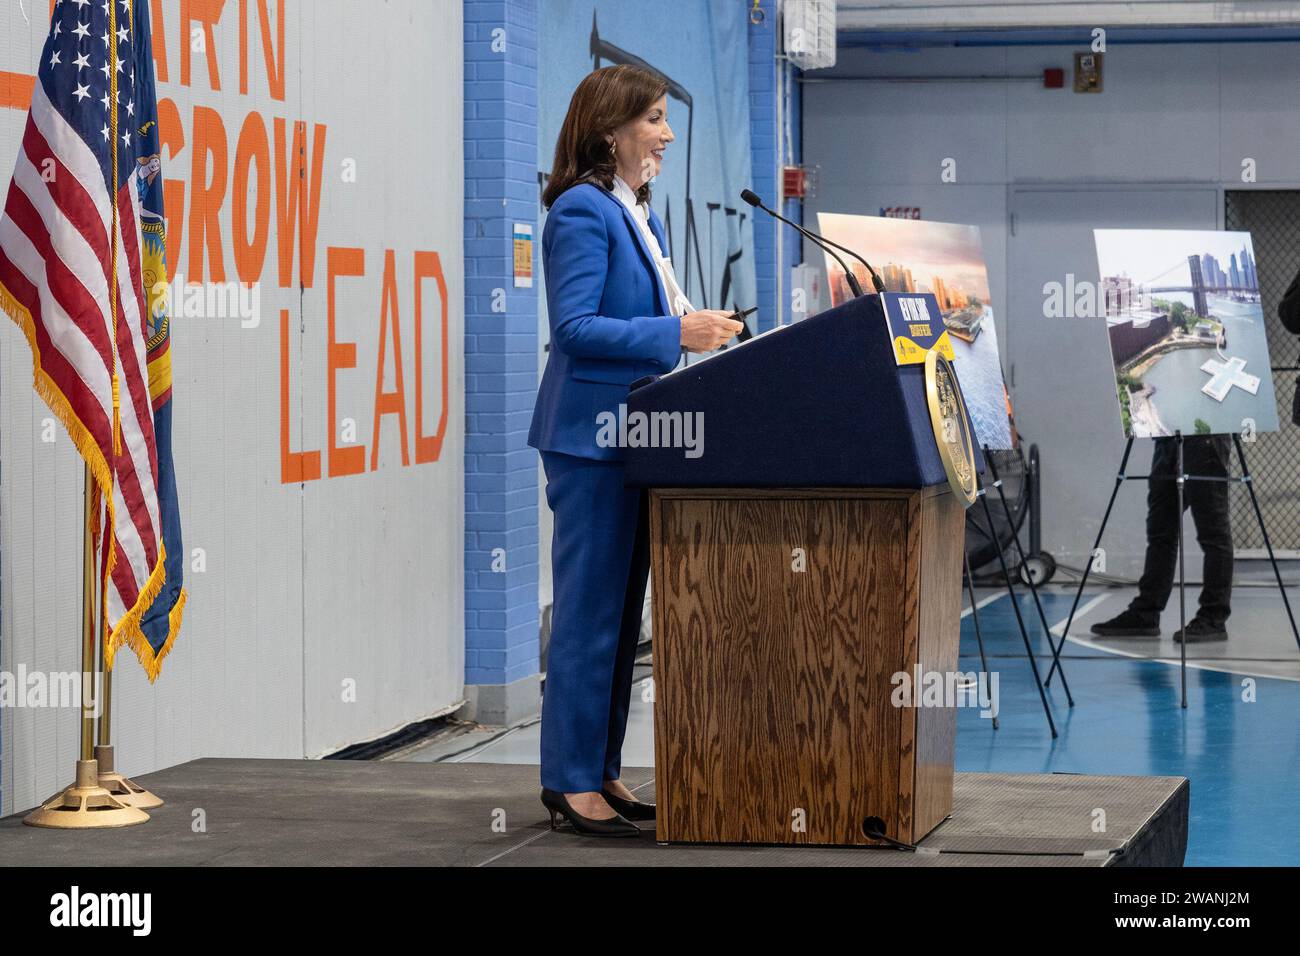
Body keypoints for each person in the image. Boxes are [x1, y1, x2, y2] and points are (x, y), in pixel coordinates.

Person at [529, 65, 741, 836]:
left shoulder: (630, 211)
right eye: (653, 118)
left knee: (621, 622)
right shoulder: (582, 212)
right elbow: (575, 329)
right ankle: (568, 781)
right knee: (588, 616)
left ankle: (602, 771)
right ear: (611, 129)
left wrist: (691, 330)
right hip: (591, 443)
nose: (668, 132)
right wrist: (677, 334)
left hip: (637, 436)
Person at [1092, 435, 1233, 642]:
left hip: (1205, 438)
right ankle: (1146, 612)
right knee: (1160, 531)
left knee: (1213, 533)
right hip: (1167, 438)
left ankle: (1213, 617)